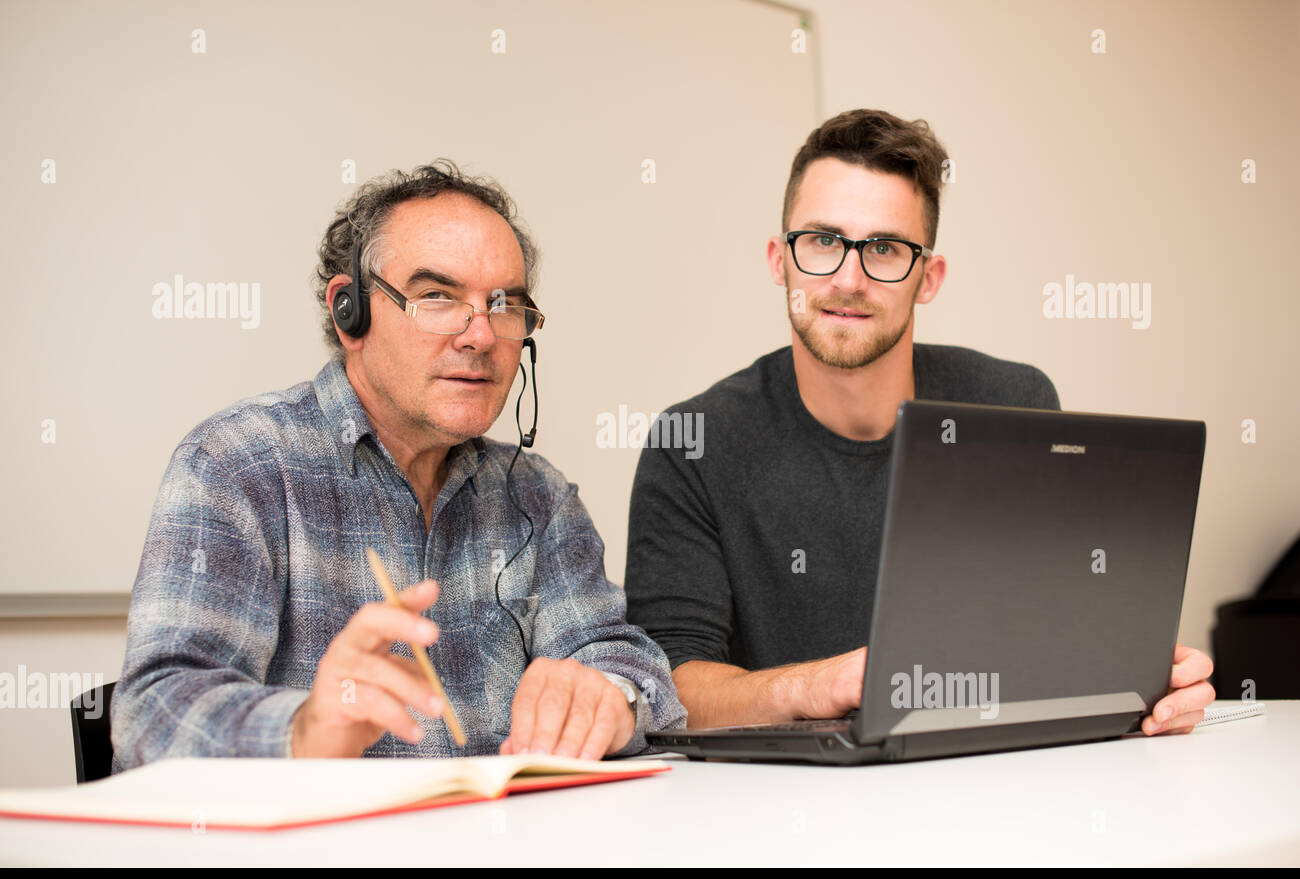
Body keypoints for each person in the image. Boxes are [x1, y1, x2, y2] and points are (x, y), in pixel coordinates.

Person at [625, 109, 1214, 733]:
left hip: (988, 783)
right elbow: (670, 685)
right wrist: (813, 686)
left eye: (884, 249)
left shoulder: (1013, 404)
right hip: (789, 808)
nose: (848, 279)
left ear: (928, 278)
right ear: (780, 261)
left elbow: (1067, 632)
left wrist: (1144, 687)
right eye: (823, 241)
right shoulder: (691, 443)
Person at [112, 160, 685, 768]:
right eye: (437, 296)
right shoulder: (238, 465)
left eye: (503, 304)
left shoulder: (537, 494)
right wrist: (304, 729)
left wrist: (607, 698)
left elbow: (630, 665)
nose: (481, 336)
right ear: (349, 311)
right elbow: (152, 715)